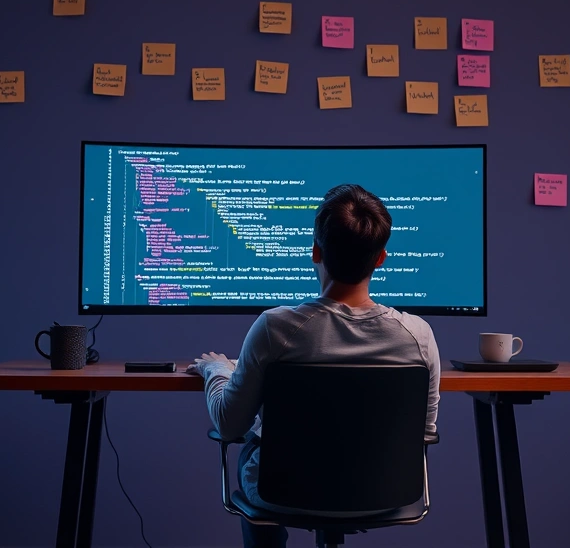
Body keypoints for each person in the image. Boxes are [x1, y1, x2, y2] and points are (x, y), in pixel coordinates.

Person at [186, 184, 441, 548]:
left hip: (282, 495)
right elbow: (424, 432)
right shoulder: (418, 336)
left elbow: (229, 424)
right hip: (385, 495)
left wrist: (216, 370)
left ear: (315, 251)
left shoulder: (275, 328)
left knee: (253, 445)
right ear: (381, 258)